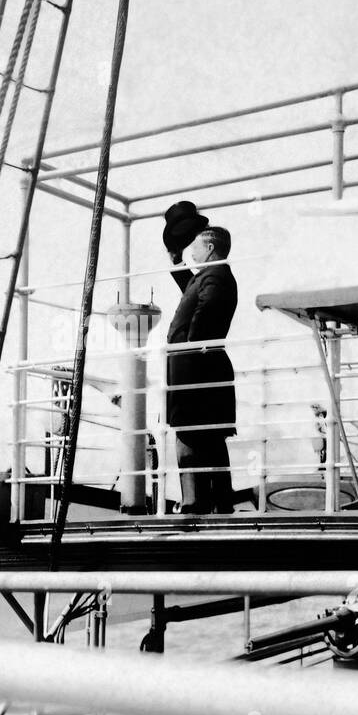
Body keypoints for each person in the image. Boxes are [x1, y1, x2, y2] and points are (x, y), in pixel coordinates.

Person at [163, 201, 238, 514]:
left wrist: (189, 344)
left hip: (197, 369)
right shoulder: (210, 275)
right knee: (208, 436)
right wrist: (174, 262)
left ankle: (197, 504)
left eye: (194, 244)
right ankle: (218, 501)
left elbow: (205, 310)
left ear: (209, 247)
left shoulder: (215, 276)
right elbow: (192, 289)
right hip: (198, 367)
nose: (190, 249)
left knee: (192, 436)